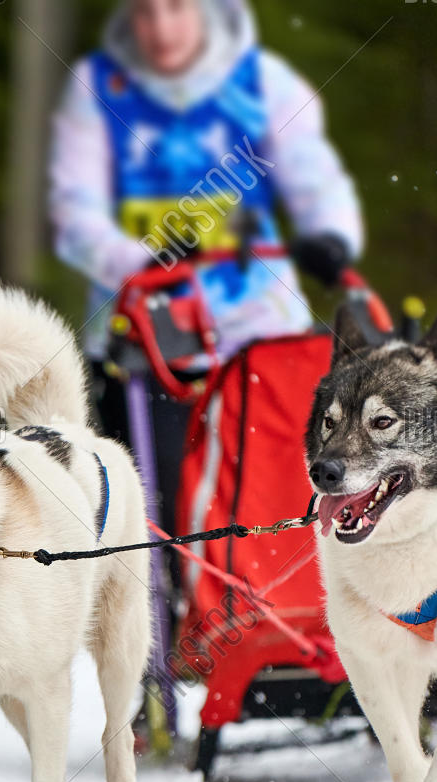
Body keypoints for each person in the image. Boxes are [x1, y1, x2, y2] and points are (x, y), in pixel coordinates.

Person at [49, 0, 364, 526]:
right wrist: (141, 256)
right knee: (159, 502)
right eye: (145, 13)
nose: (160, 28)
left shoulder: (263, 82)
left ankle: (266, 602)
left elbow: (316, 179)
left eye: (175, 8)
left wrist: (330, 235)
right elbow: (74, 211)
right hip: (142, 340)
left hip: (259, 334)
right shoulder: (98, 86)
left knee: (270, 493)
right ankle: (168, 601)